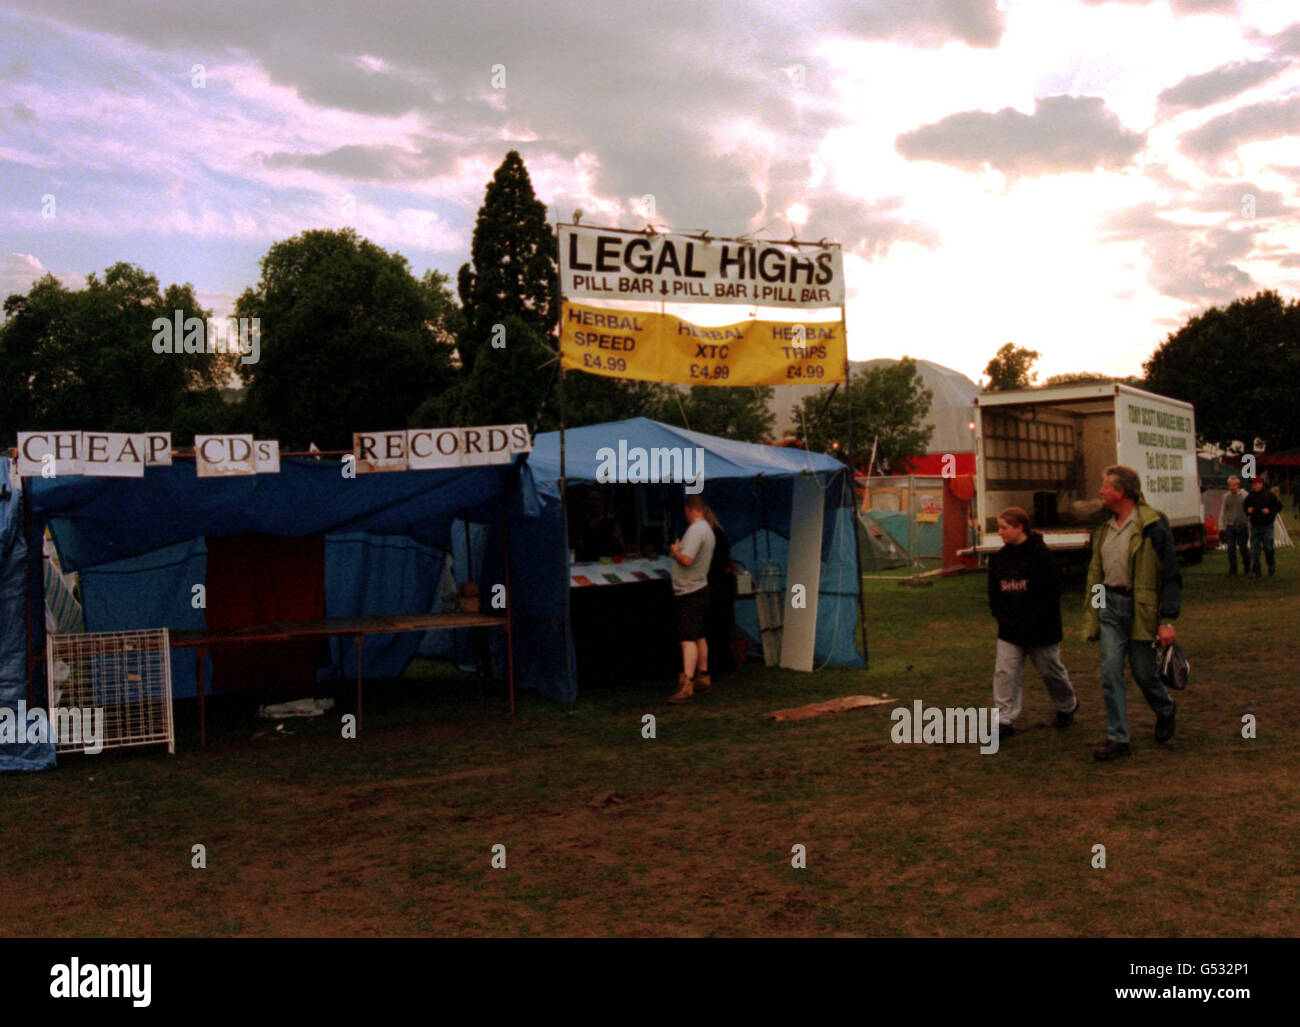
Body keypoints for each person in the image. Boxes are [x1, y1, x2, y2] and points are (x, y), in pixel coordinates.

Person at [1083, 465, 1181, 761]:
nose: (1100, 492)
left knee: (1142, 672)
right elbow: (1097, 571)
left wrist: (1167, 620)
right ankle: (1118, 738)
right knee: (1110, 672)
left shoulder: (1153, 526)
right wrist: (1096, 611)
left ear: (1120, 492)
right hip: (1110, 606)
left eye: (1104, 487)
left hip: (1141, 609)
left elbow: (1171, 576)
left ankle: (1165, 708)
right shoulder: (1103, 525)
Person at [986, 507, 1078, 740]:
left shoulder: (1041, 555)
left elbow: (1052, 591)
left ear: (1019, 528)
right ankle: (1004, 720)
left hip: (1041, 628)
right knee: (1005, 673)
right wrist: (1002, 617)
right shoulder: (999, 559)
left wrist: (1034, 618)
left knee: (1051, 671)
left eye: (1004, 528)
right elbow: (994, 593)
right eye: (999, 528)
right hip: (1010, 630)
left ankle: (1067, 706)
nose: (1000, 532)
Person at [667, 494, 716, 704]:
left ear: (688, 509)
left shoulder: (697, 530)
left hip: (690, 591)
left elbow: (687, 559)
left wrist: (675, 552)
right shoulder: (708, 529)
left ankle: (686, 683)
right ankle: (703, 675)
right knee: (699, 634)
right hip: (699, 587)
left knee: (688, 638)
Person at [1242, 476, 1282, 578]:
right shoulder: (1250, 496)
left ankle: (1271, 564)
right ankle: (1257, 571)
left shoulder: (1269, 495)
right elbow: (1245, 507)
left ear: (1261, 484)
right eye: (1253, 484)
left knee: (1268, 547)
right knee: (1254, 549)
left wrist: (1269, 511)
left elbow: (1279, 506)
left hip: (1267, 525)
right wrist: (1248, 510)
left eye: (1256, 484)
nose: (1254, 486)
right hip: (1255, 526)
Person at [572, 488, 624, 563]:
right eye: (591, 499)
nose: (594, 503)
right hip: (586, 565)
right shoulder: (583, 523)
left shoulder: (611, 523)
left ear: (603, 502)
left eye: (597, 500)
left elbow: (621, 548)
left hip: (606, 564)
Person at [1220, 475, 1251, 577]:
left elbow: (1249, 510)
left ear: (1238, 485)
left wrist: (1250, 523)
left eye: (1233, 485)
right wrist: (1221, 526)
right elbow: (1223, 511)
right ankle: (1233, 570)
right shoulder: (1226, 497)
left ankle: (1247, 564)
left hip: (1242, 525)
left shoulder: (1245, 495)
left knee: (1243, 548)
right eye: (1230, 485)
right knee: (1231, 549)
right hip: (1230, 526)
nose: (1231, 487)